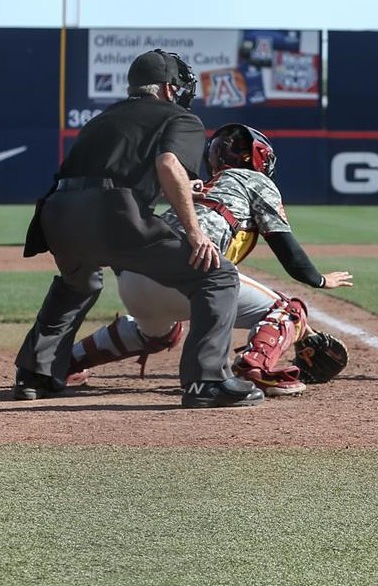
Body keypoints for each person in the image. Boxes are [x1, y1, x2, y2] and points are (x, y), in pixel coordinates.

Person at [13, 50, 262, 408]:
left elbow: (102, 173)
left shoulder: (101, 119)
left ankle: (35, 373)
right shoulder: (181, 117)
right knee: (216, 275)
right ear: (166, 88)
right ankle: (207, 381)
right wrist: (194, 233)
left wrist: (174, 186)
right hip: (112, 214)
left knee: (78, 283)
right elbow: (168, 163)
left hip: (58, 212)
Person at [63, 124, 354, 397]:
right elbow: (289, 254)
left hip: (132, 281)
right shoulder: (255, 180)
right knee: (289, 309)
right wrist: (319, 279)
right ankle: (254, 366)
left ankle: (66, 362)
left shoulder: (195, 188)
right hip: (187, 273)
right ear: (259, 159)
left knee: (156, 331)